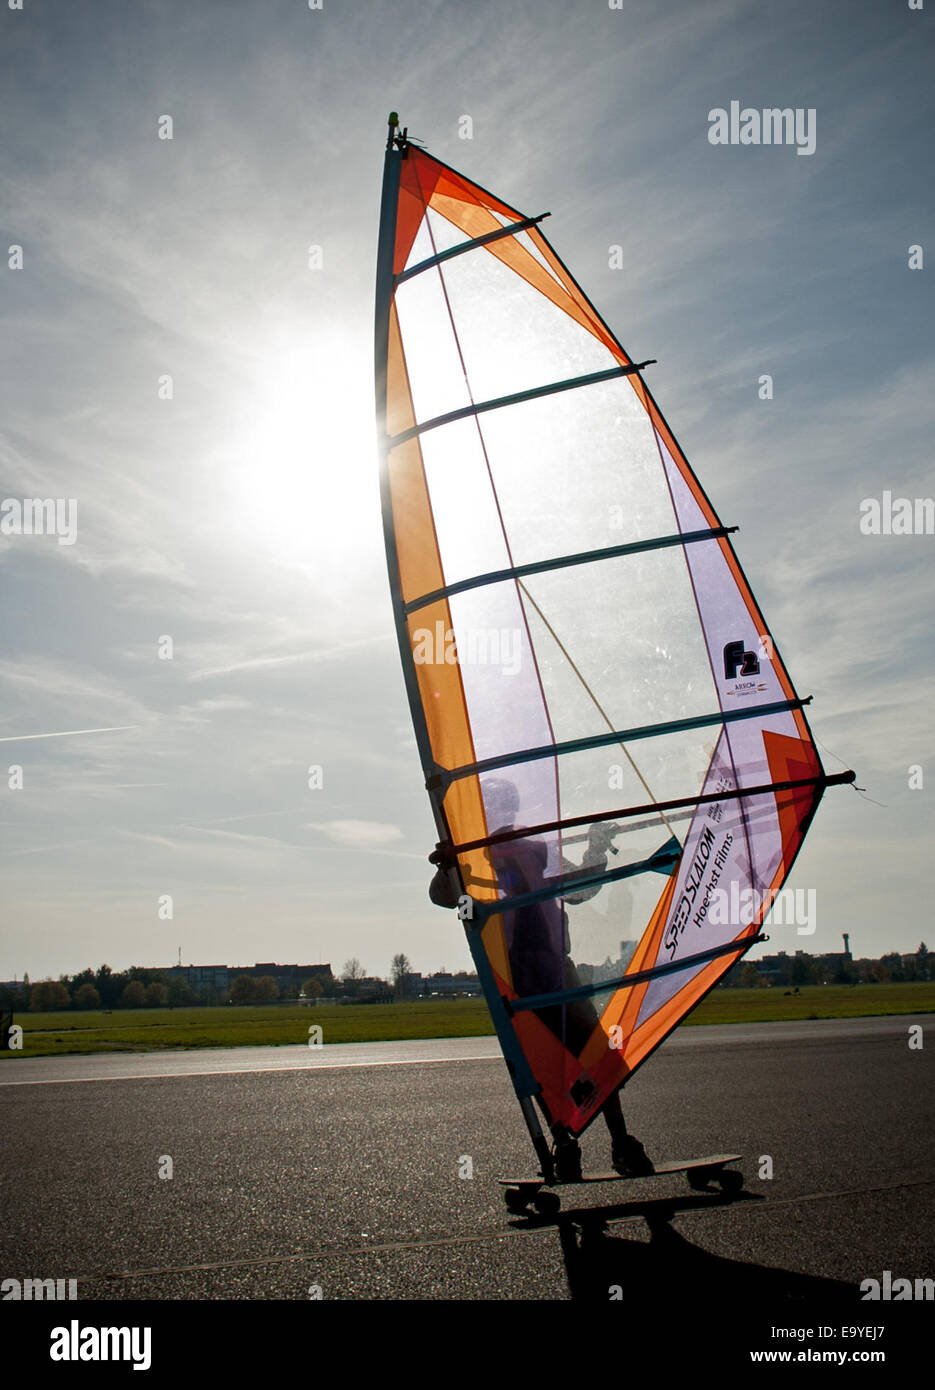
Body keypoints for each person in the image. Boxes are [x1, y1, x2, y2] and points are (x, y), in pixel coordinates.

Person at [430, 777, 653, 1181]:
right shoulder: (472, 856)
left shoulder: (537, 847)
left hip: (554, 969)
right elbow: (447, 900)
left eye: (504, 807)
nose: (502, 815)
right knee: (544, 1064)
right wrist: (449, 866)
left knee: (593, 1053)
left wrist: (597, 846)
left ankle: (619, 1142)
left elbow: (582, 890)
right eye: (495, 808)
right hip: (517, 978)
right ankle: (568, 1143)